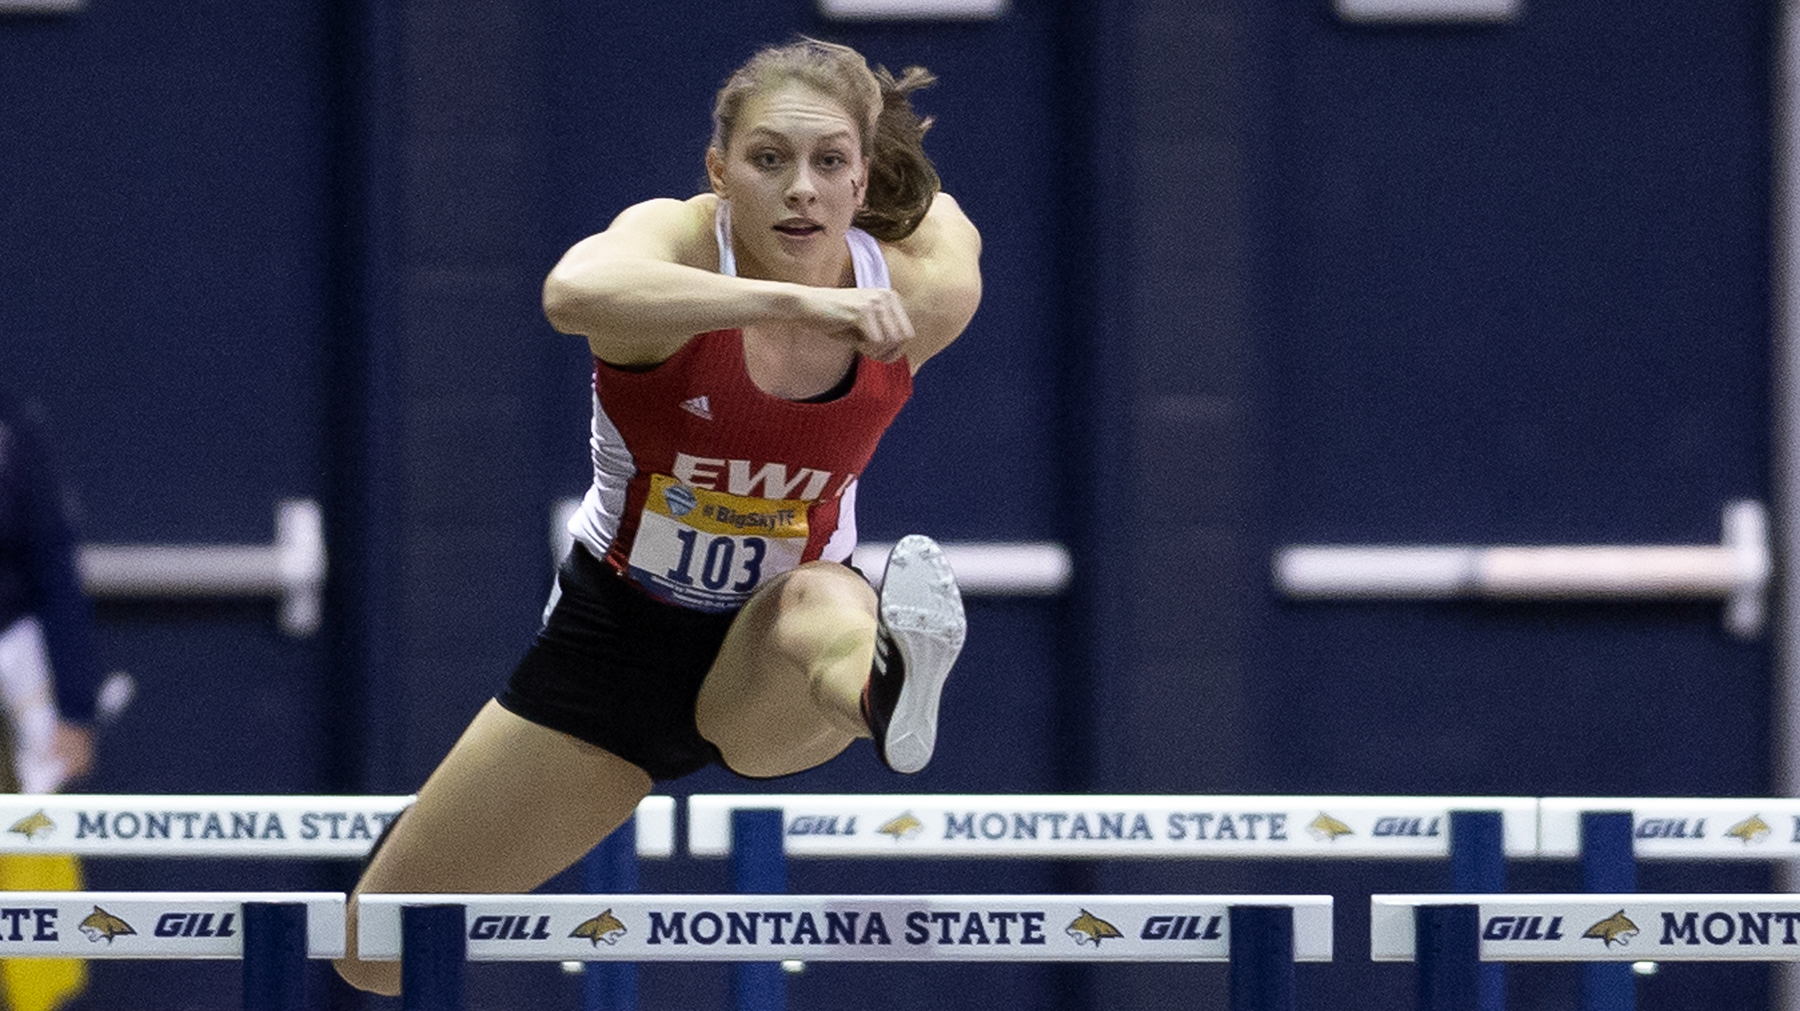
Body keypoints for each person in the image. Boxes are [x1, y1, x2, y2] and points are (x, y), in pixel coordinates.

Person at [334, 37, 982, 994]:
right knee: (375, 950)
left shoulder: (924, 291)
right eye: (768, 161)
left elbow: (945, 221)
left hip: (776, 655)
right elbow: (570, 292)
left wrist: (871, 216)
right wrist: (795, 306)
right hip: (618, 643)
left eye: (828, 164)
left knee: (823, 598)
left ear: (860, 179)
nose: (799, 190)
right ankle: (871, 679)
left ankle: (886, 691)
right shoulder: (675, 245)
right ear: (720, 175)